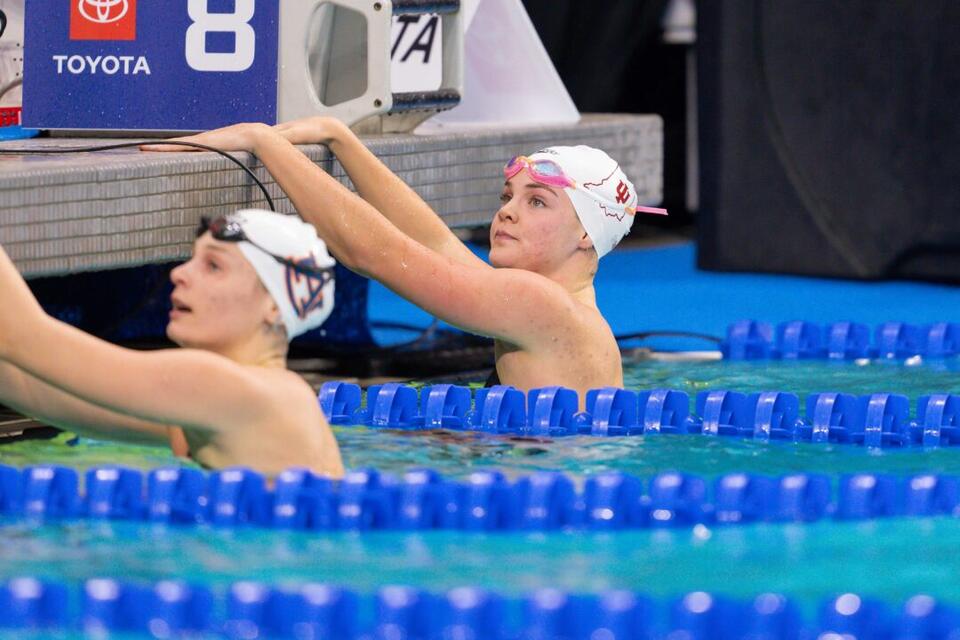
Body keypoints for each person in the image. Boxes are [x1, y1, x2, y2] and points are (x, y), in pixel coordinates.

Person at [143, 118, 667, 401]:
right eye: (508, 197)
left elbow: (374, 255)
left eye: (537, 203)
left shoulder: (540, 304)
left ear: (586, 234)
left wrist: (263, 141)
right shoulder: (563, 309)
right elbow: (436, 244)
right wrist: (340, 138)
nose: (507, 211)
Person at [0, 209, 344, 478]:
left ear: (273, 306)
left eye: (213, 266)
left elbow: (22, 337)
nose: (179, 273)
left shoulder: (227, 388)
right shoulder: (249, 400)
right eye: (192, 259)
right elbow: (33, 392)